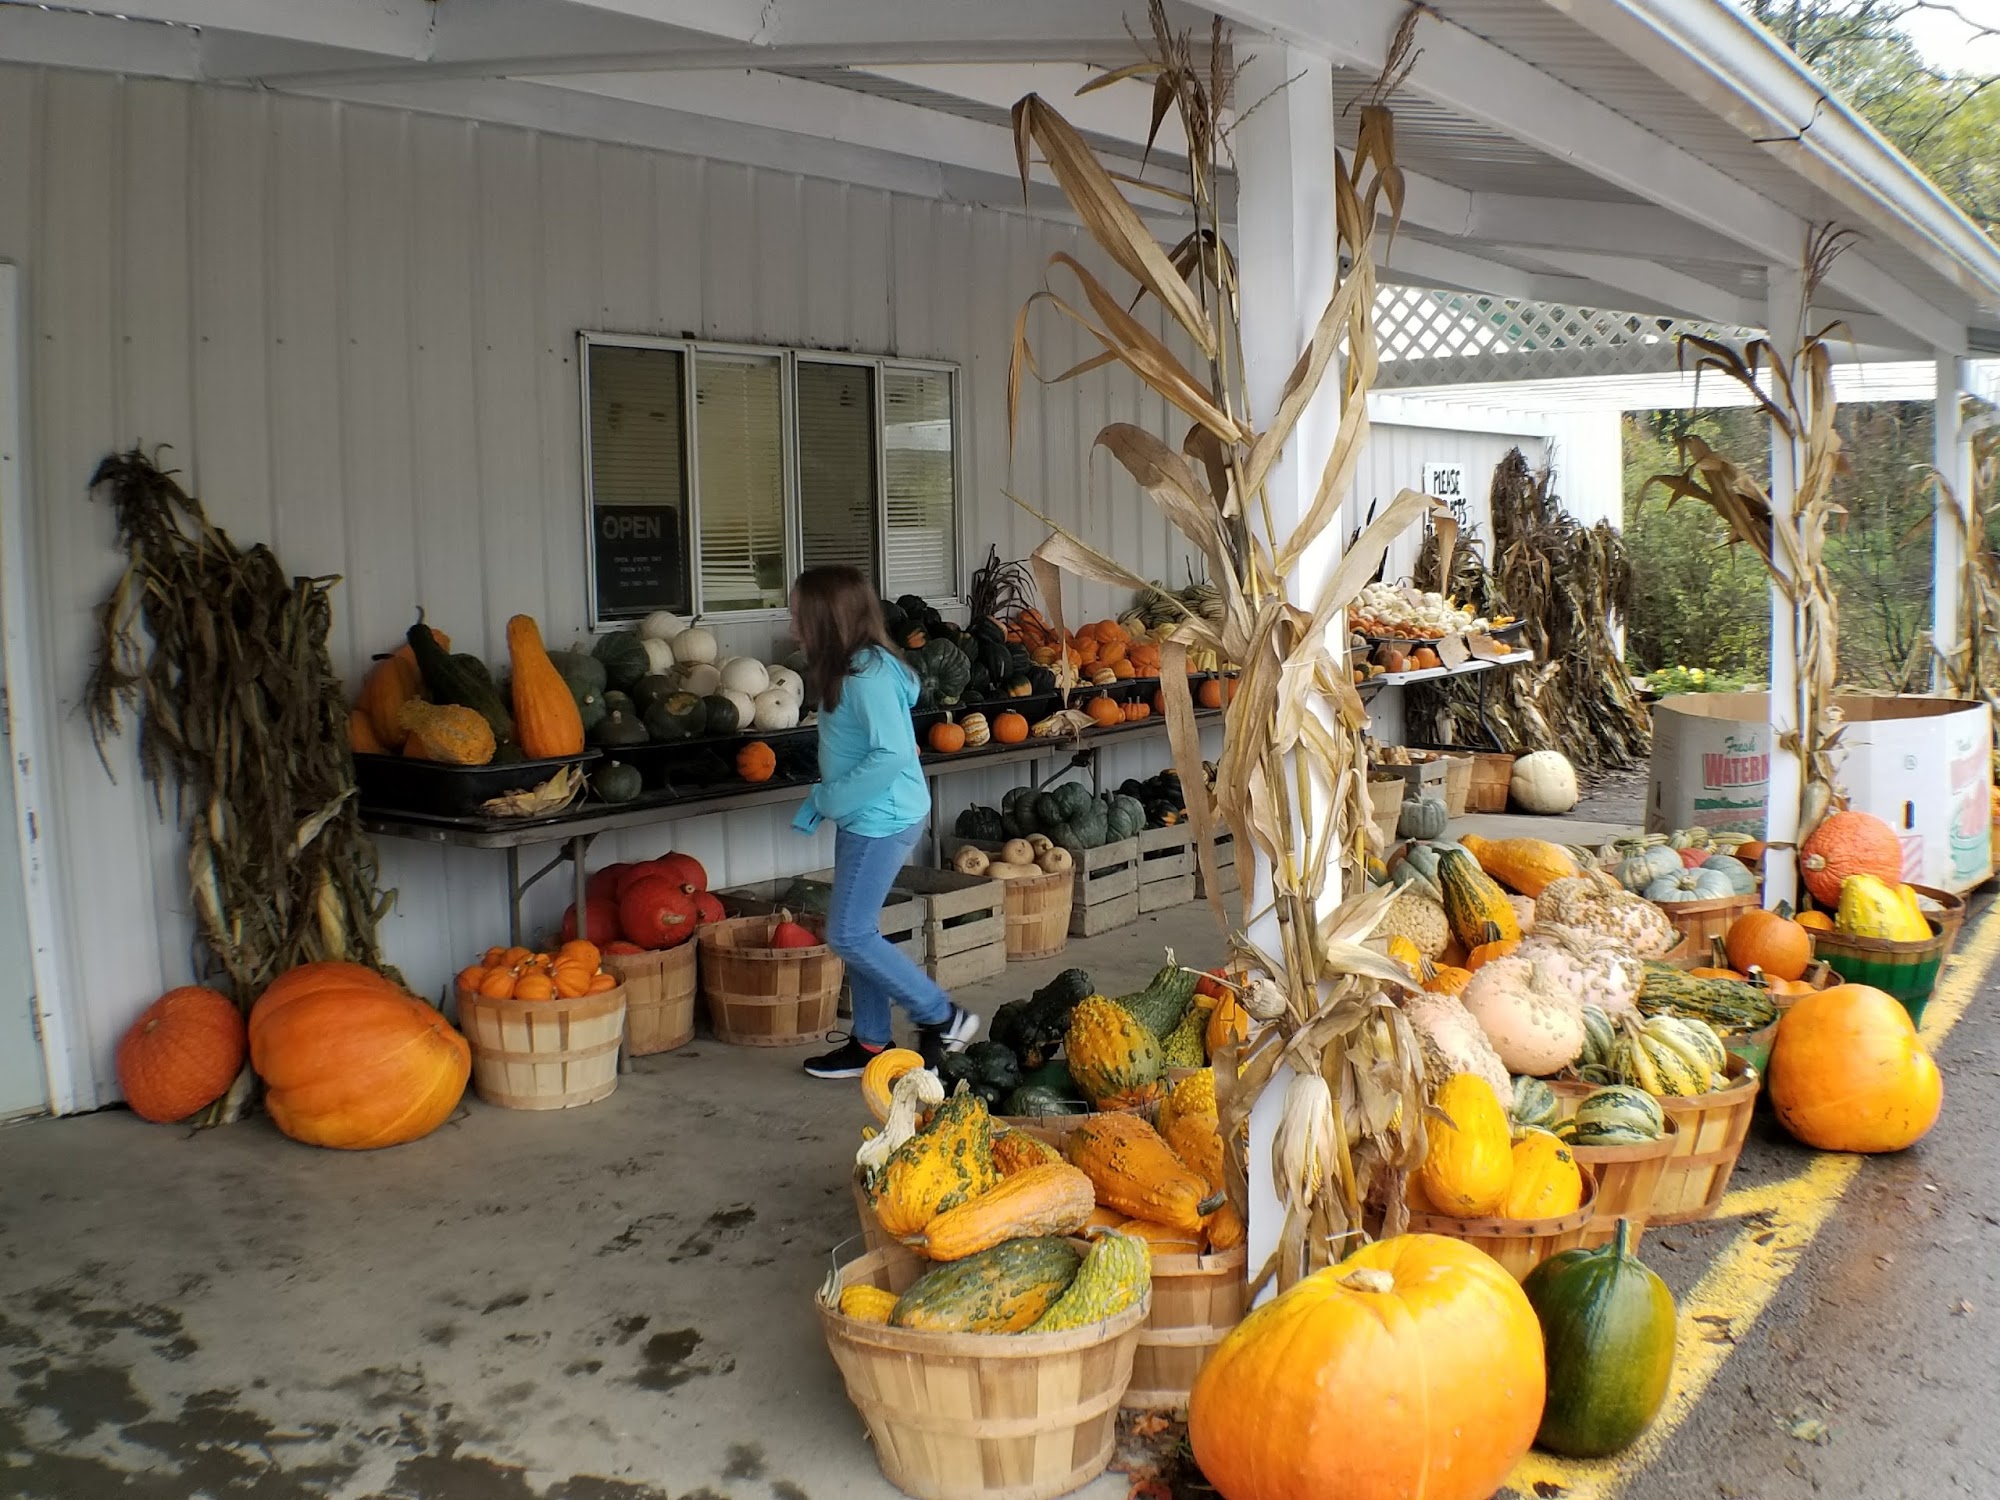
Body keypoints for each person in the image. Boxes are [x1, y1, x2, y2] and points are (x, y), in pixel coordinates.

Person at [788, 565, 978, 1078]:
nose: (791, 629)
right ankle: (871, 1043)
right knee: (861, 929)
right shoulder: (857, 668)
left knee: (847, 933)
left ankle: (942, 1015)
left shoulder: (866, 676)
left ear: (828, 622)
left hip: (880, 818)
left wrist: (830, 799)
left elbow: (893, 753)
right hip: (869, 815)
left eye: (798, 618)